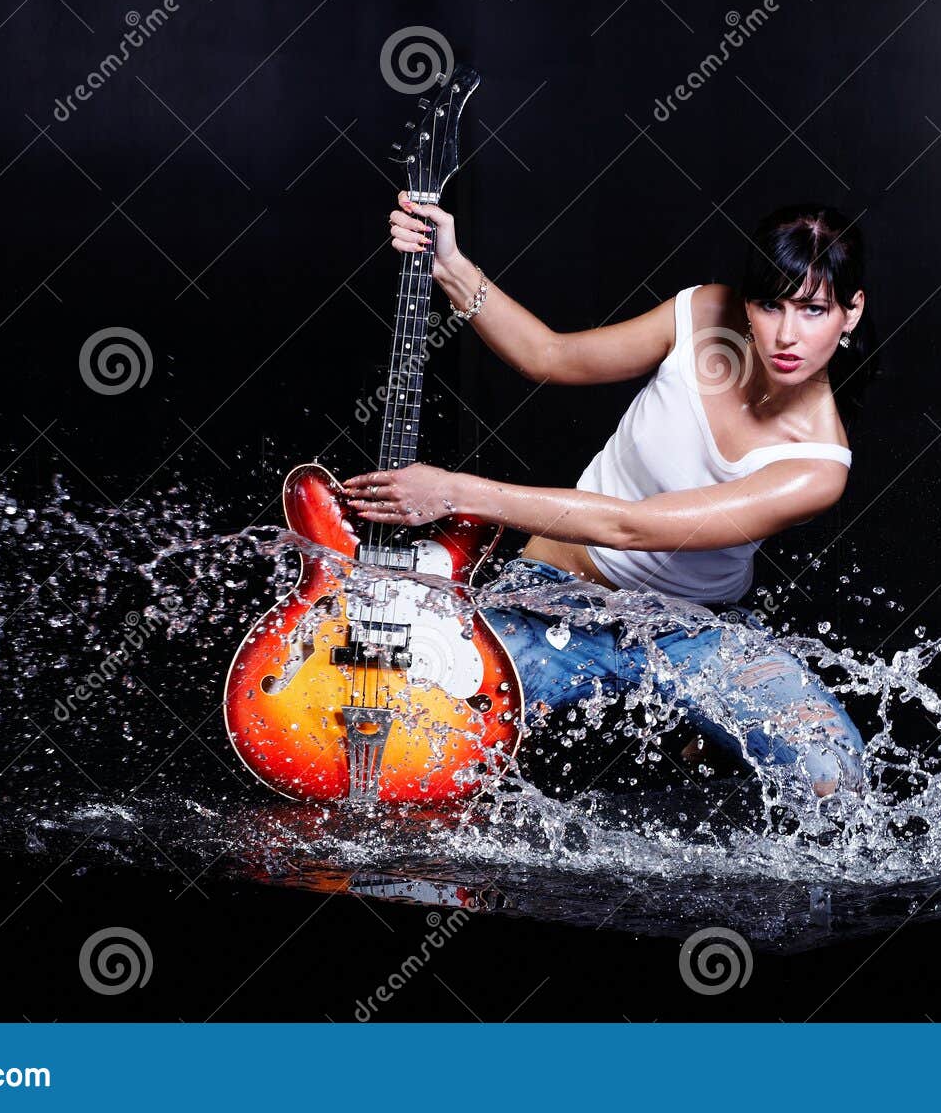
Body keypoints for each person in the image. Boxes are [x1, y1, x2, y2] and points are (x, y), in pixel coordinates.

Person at [343, 194, 871, 808]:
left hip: (690, 635)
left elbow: (632, 528)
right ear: (745, 300)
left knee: (834, 775)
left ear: (850, 312)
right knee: (400, 746)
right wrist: (451, 265)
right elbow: (550, 356)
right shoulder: (705, 313)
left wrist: (455, 491)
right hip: (551, 598)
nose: (786, 334)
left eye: (813, 310)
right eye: (769, 304)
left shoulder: (817, 465)